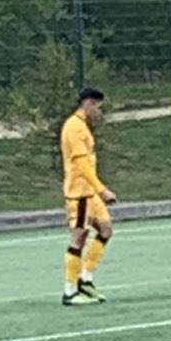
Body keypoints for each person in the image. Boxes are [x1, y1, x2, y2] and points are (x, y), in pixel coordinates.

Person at [60, 88, 117, 306]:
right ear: (88, 104)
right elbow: (81, 164)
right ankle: (70, 291)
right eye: (98, 108)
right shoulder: (74, 127)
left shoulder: (83, 126)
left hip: (90, 193)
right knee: (79, 236)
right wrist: (101, 189)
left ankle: (86, 279)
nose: (99, 113)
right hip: (80, 193)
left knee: (105, 230)